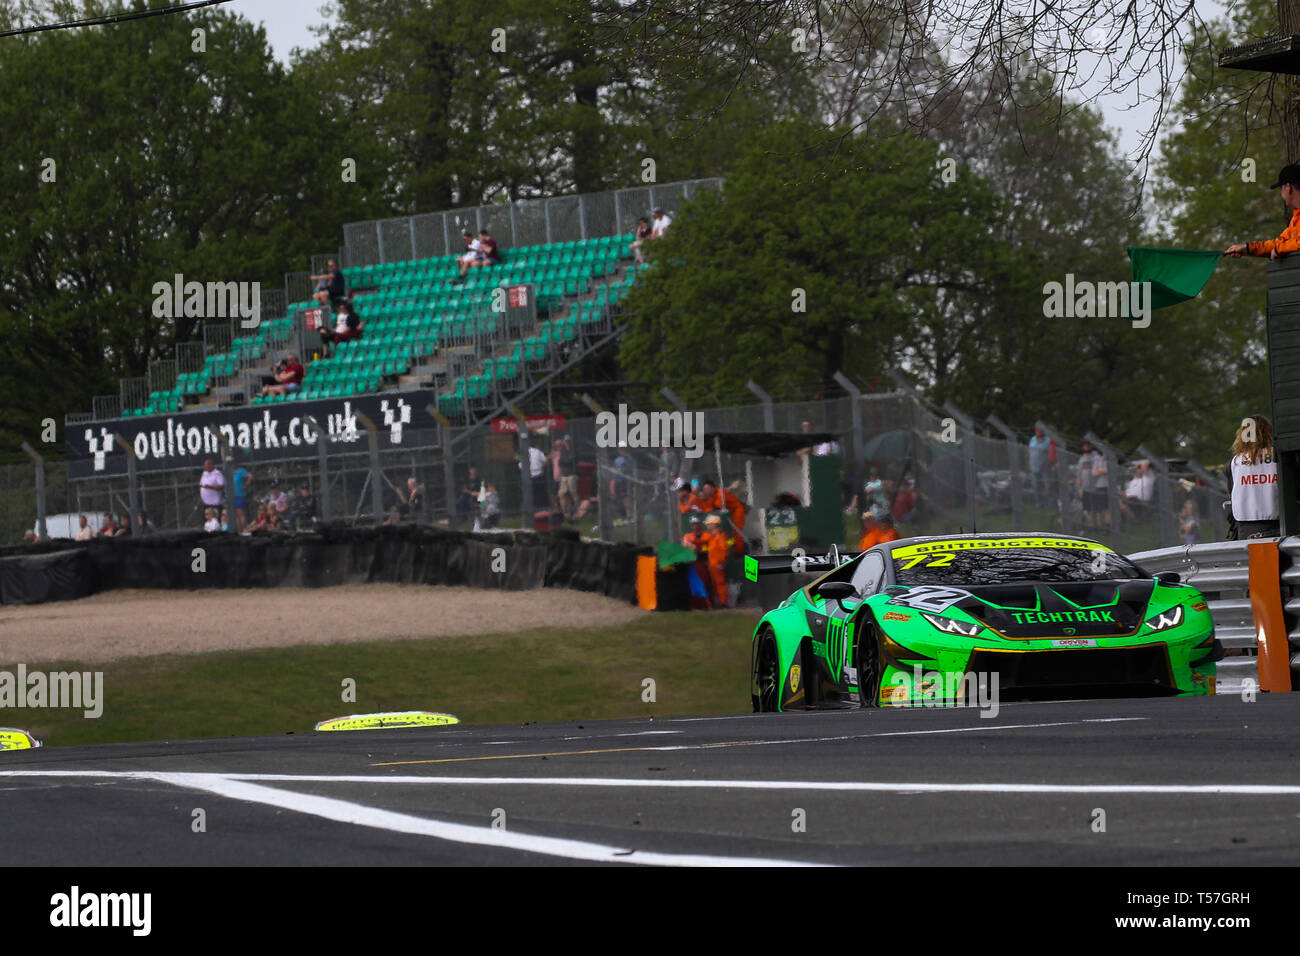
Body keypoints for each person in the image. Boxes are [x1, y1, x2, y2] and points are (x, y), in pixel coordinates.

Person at [1225, 164, 1300, 260]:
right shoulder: (1296, 219)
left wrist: (1280, 249)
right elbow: (1281, 242)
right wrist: (1247, 248)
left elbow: (1283, 245)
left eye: (1281, 189)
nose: (1281, 194)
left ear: (1288, 187)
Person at [1226, 414, 1279, 539]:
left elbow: (1232, 494)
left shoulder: (1234, 462)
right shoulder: (1280, 456)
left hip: (1247, 530)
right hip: (1281, 526)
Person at [703, 514, 732, 607]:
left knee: (720, 584)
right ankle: (717, 603)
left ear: (715, 525)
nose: (707, 526)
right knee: (714, 585)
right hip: (712, 565)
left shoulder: (721, 536)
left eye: (709, 524)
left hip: (717, 565)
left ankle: (723, 603)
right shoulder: (711, 537)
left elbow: (724, 550)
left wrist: (721, 562)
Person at [1028, 425, 1050, 509]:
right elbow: (1030, 452)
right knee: (1036, 486)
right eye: (1037, 430)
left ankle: (1047, 503)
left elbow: (1051, 453)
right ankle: (1039, 503)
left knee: (1047, 485)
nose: (1038, 431)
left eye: (1040, 430)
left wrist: (1048, 462)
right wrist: (1029, 461)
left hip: (1044, 467)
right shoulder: (1032, 439)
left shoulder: (1047, 440)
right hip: (1034, 467)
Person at [232, 465, 251, 531]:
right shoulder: (229, 472)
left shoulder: (241, 470)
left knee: (241, 513)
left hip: (240, 495)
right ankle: (239, 530)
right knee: (236, 514)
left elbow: (250, 476)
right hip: (232, 496)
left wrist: (246, 484)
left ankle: (244, 529)